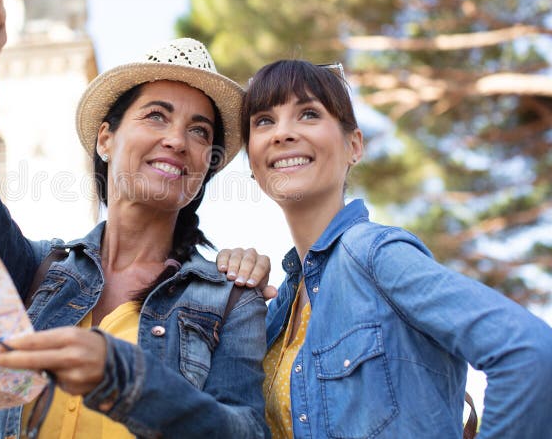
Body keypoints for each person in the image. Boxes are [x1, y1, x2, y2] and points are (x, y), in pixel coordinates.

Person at [0, 0, 271, 439]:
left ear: (206, 165)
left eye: (200, 132)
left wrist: (127, 379)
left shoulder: (230, 301)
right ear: (106, 139)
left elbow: (245, 432)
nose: (177, 140)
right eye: (156, 116)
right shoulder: (39, 270)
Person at [235, 59, 552, 438]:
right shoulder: (275, 312)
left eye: (308, 114)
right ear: (252, 163)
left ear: (354, 145)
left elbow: (527, 355)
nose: (282, 133)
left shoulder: (373, 253)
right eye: (264, 121)